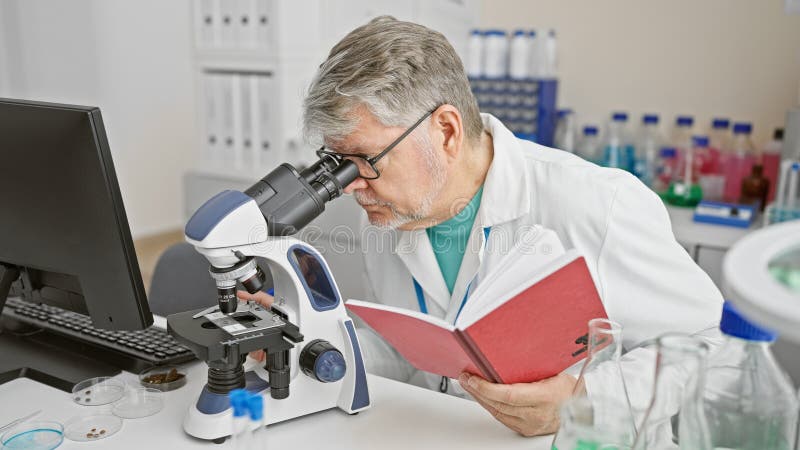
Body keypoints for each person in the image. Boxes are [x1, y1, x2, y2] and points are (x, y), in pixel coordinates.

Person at [238, 16, 723, 437]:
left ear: (446, 131)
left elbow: (711, 344)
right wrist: (301, 341)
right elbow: (410, 357)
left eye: (363, 160)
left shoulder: (596, 203)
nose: (348, 186)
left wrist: (585, 402)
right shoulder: (388, 217)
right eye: (337, 163)